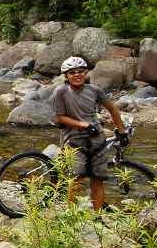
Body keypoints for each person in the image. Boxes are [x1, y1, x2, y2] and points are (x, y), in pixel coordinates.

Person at [52, 56, 129, 211]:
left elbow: (112, 108)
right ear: (66, 76)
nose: (77, 75)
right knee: (77, 178)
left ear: (86, 73)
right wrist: (81, 124)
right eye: (72, 72)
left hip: (96, 141)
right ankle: (71, 215)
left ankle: (98, 216)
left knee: (98, 180)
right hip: (73, 140)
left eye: (80, 71)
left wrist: (122, 131)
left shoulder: (94, 91)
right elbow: (59, 117)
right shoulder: (60, 92)